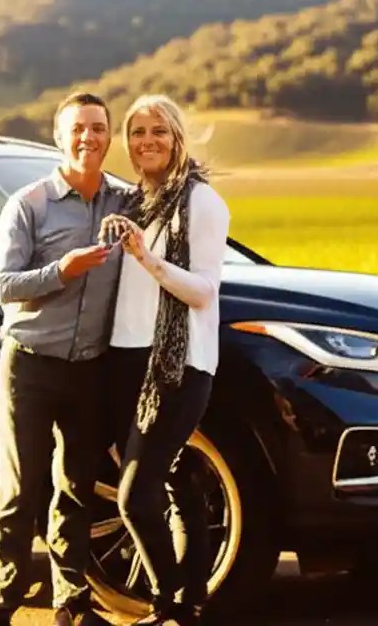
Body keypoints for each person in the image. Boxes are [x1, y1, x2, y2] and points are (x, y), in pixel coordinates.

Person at [0, 91, 130, 626]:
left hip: (90, 366)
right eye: (77, 129)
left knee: (76, 488)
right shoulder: (29, 204)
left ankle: (71, 603)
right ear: (58, 137)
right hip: (30, 364)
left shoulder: (126, 203)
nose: (88, 137)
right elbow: (4, 286)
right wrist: (62, 269)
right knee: (22, 490)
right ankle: (0, 603)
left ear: (109, 137)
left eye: (98, 128)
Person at [100, 94, 230, 625]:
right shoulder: (133, 203)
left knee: (135, 495)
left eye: (158, 131)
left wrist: (146, 258)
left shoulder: (200, 202)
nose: (147, 141)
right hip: (129, 361)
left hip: (177, 366)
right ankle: (190, 601)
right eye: (136, 132)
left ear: (177, 137)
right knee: (174, 482)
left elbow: (203, 291)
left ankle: (164, 599)